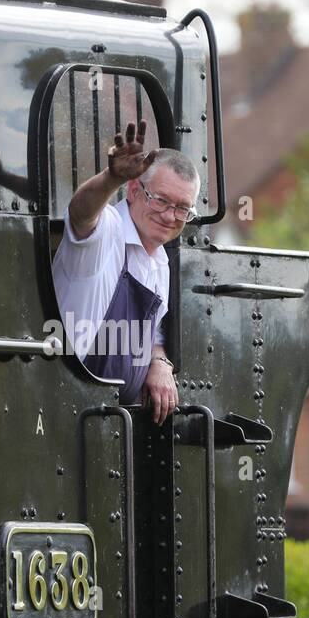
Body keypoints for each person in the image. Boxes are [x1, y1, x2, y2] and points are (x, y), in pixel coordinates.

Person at [52, 119, 199, 425]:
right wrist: (111, 178)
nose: (170, 216)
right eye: (161, 200)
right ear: (133, 190)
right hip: (68, 408)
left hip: (115, 420)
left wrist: (159, 362)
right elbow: (80, 214)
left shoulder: (160, 262)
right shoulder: (107, 231)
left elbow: (154, 333)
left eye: (182, 208)